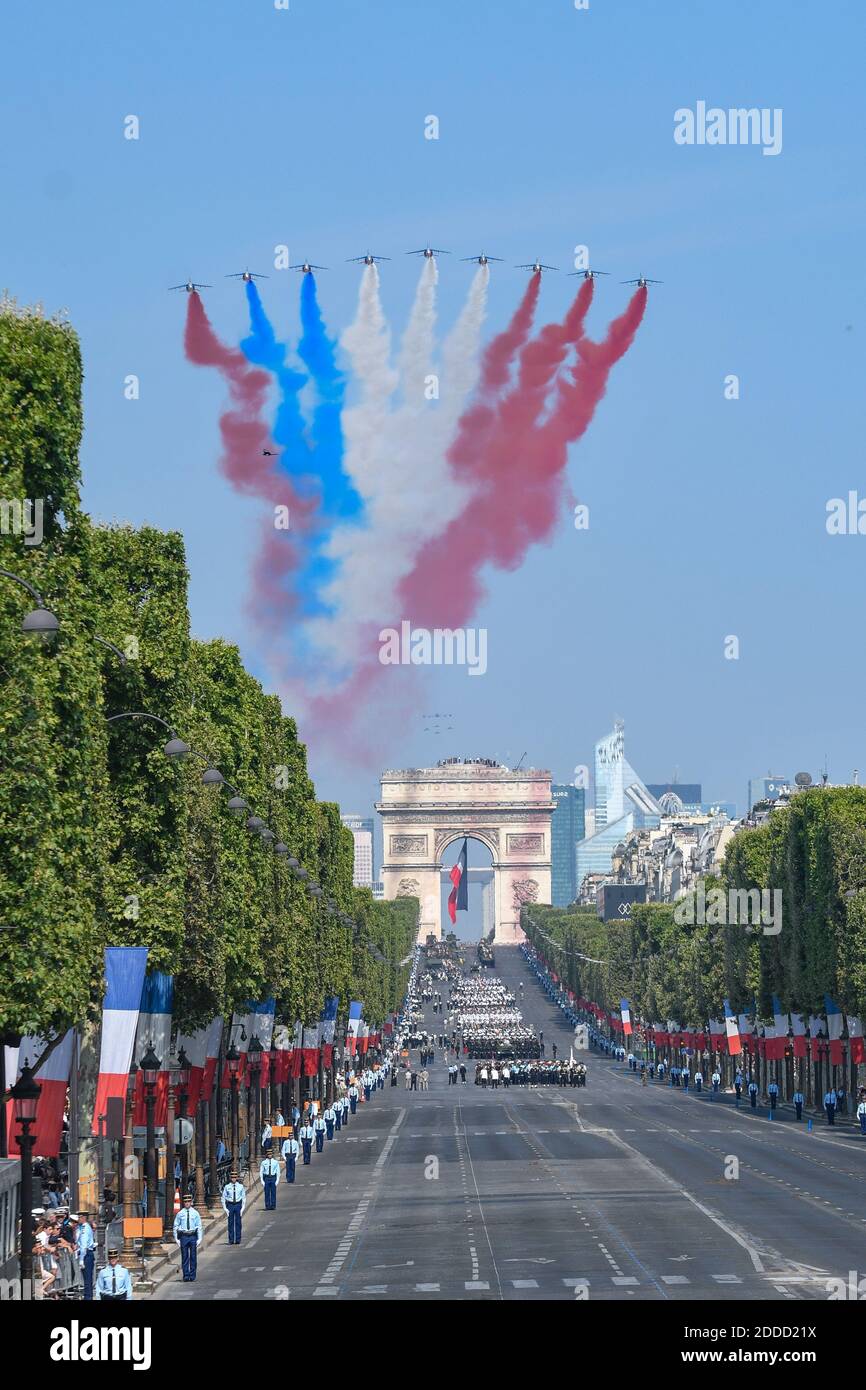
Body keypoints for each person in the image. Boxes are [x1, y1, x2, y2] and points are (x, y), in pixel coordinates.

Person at [173, 1192, 204, 1280]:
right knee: (185, 1257)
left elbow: (199, 1226)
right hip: (184, 1236)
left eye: (188, 1202)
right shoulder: (180, 1213)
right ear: (184, 1203)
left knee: (193, 1257)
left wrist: (199, 1238)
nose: (187, 1203)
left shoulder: (195, 1213)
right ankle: (186, 1275)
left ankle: (192, 1275)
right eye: (185, 1202)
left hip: (193, 1236)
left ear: (191, 1202)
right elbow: (175, 1226)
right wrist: (177, 1239)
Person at [75, 1211, 96, 1300]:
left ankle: (88, 1297)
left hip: (86, 1255)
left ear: (83, 1218)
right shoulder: (81, 1227)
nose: (78, 1219)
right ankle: (88, 1296)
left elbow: (84, 1245)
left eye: (79, 1217)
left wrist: (81, 1259)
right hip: (86, 1254)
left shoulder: (85, 1228)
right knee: (86, 1278)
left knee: (87, 1279)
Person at [222, 1174, 246, 1244]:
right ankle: (231, 1239)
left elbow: (243, 1197)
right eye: (232, 1177)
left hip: (238, 1204)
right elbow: (223, 1197)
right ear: (230, 1178)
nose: (233, 1179)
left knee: (238, 1223)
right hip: (230, 1205)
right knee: (230, 1223)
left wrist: (242, 1208)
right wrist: (225, 1209)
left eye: (235, 1177)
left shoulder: (240, 1186)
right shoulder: (227, 1187)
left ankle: (238, 1239)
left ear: (237, 1178)